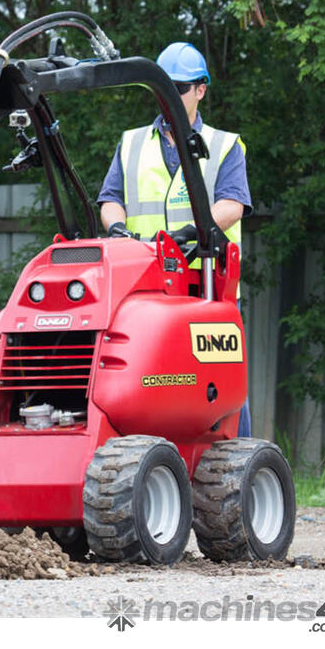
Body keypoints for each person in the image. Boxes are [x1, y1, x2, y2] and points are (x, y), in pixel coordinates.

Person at [96, 42, 253, 437]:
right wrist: (116, 228)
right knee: (154, 379)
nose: (171, 95)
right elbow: (110, 199)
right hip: (147, 283)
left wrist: (196, 231)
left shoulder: (224, 145)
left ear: (201, 89)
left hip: (208, 284)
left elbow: (233, 203)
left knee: (224, 384)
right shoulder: (131, 143)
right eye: (164, 87)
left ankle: (238, 458)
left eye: (179, 87)